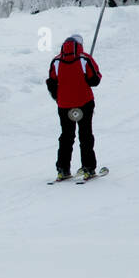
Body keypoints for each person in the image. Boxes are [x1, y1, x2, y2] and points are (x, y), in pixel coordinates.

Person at [45, 34, 102, 180]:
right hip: (84, 103)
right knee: (85, 134)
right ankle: (88, 167)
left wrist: (58, 97)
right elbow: (95, 80)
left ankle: (63, 169)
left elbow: (51, 82)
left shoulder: (56, 61)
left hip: (64, 105)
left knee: (66, 136)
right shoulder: (85, 59)